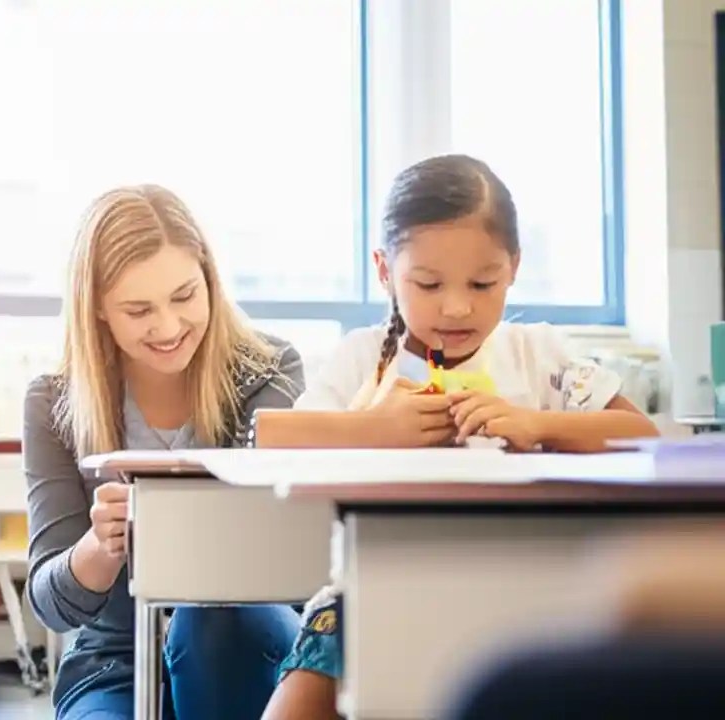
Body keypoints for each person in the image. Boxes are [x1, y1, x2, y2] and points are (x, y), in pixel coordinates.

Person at [253, 153, 660, 720]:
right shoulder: (364, 359)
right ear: (383, 270)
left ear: (514, 266)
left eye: (482, 282)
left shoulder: (538, 354)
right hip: (375, 589)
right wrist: (374, 430)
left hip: (526, 591)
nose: (456, 306)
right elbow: (272, 436)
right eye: (427, 283)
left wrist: (541, 425)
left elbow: (643, 434)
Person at [24, 184, 306, 719]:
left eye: (184, 297)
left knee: (211, 613)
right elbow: (50, 604)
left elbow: (273, 541)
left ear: (209, 281)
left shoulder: (269, 372)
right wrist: (99, 549)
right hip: (116, 663)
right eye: (138, 310)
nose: (170, 327)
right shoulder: (53, 402)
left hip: (243, 636)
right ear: (99, 310)